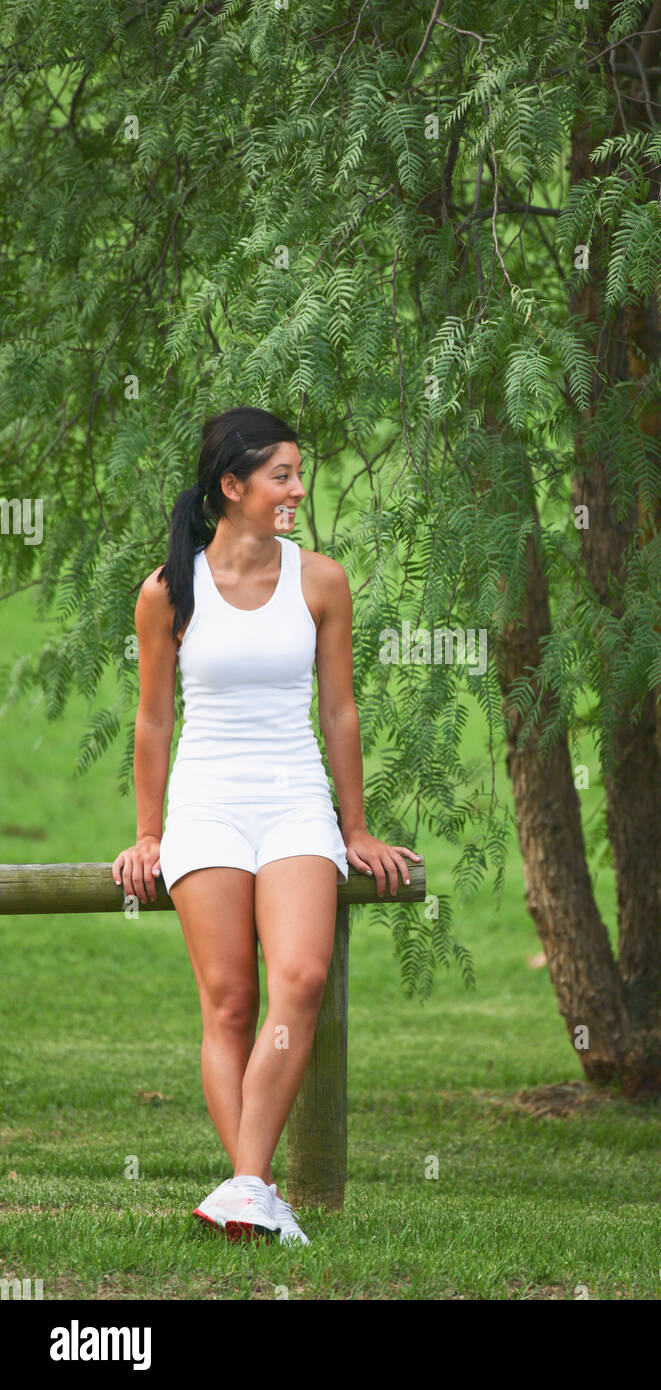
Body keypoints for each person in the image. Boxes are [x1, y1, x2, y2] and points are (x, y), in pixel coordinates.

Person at [112, 406, 420, 1245]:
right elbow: (153, 721)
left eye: (298, 473)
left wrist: (356, 828)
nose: (298, 489)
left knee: (302, 978)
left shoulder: (320, 580)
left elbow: (340, 711)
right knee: (230, 1001)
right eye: (282, 475)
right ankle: (256, 1190)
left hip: (295, 803)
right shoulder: (167, 591)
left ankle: (246, 1187)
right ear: (232, 486)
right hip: (205, 804)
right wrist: (148, 834)